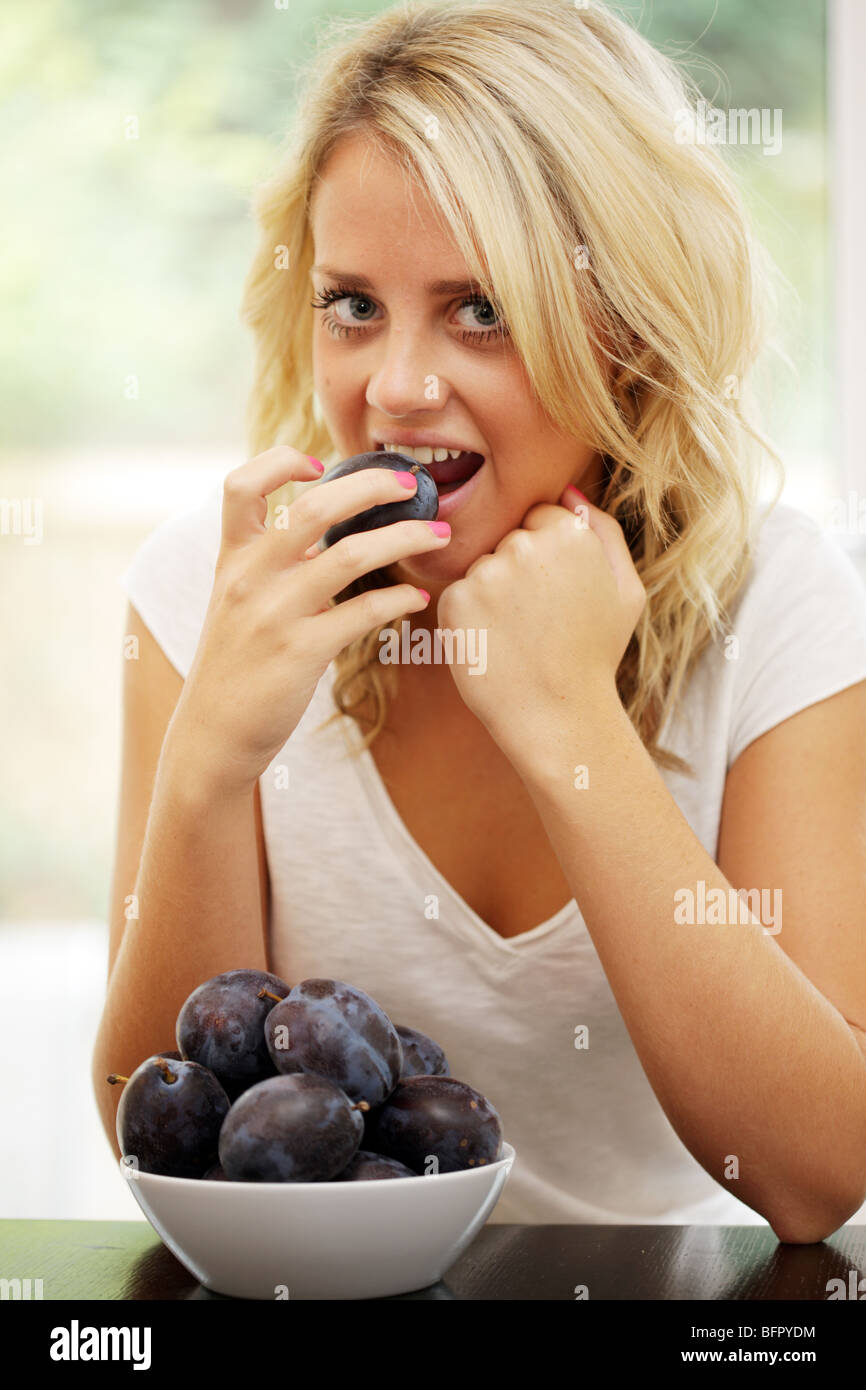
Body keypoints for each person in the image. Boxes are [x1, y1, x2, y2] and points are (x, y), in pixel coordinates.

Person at [93, 0, 866, 1238]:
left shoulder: (773, 599)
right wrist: (209, 763)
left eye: (482, 310)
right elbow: (166, 1140)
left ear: (624, 334)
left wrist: (569, 720)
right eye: (352, 304)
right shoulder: (209, 589)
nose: (395, 387)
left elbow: (817, 1172)